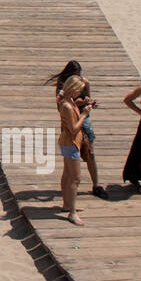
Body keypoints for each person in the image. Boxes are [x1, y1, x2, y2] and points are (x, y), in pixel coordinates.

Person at [46, 61, 107, 199]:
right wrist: (81, 105)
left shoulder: (84, 82)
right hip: (73, 117)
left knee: (90, 152)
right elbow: (62, 105)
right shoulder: (63, 86)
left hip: (83, 117)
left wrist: (88, 102)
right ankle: (69, 192)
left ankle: (96, 184)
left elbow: (86, 98)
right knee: (71, 157)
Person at [58, 75, 93, 226]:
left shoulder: (68, 101)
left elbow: (72, 107)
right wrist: (84, 115)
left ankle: (67, 204)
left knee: (67, 174)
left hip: (68, 142)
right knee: (75, 178)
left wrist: (82, 104)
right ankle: (72, 212)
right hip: (71, 142)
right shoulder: (66, 105)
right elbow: (73, 129)